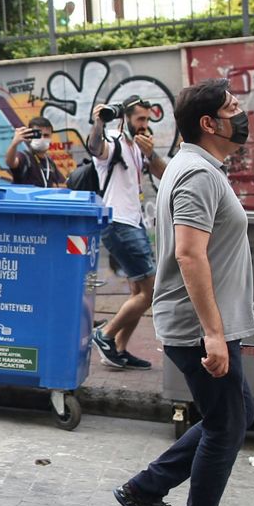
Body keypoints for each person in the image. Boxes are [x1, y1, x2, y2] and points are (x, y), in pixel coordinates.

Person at [112, 79, 254, 506]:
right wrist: (214, 335)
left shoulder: (200, 167)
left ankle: (145, 488)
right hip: (198, 327)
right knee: (226, 424)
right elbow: (190, 254)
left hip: (205, 322)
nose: (242, 113)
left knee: (236, 413)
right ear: (209, 124)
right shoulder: (197, 174)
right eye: (232, 107)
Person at [87, 94, 167, 370]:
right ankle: (105, 334)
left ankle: (119, 349)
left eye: (147, 119)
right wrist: (98, 121)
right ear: (126, 118)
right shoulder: (114, 141)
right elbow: (95, 147)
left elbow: (164, 173)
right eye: (140, 119)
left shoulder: (137, 146)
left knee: (138, 291)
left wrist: (150, 153)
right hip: (119, 224)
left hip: (134, 224)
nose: (144, 124)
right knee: (151, 290)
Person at [6, 116, 65, 188]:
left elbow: (55, 185)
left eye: (46, 135)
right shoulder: (25, 157)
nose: (42, 138)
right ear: (30, 136)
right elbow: (10, 162)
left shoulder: (50, 162)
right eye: (38, 135)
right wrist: (14, 144)